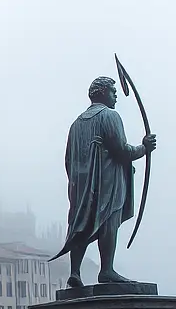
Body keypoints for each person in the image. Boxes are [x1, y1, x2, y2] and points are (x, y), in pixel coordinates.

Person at [52, 75, 157, 287]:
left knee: (81, 223)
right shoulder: (109, 116)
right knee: (109, 219)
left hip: (80, 185)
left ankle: (75, 272)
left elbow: (68, 159)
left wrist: (78, 179)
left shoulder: (76, 124)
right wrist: (144, 148)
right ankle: (106, 270)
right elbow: (122, 150)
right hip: (107, 182)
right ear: (102, 93)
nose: (116, 96)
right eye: (113, 91)